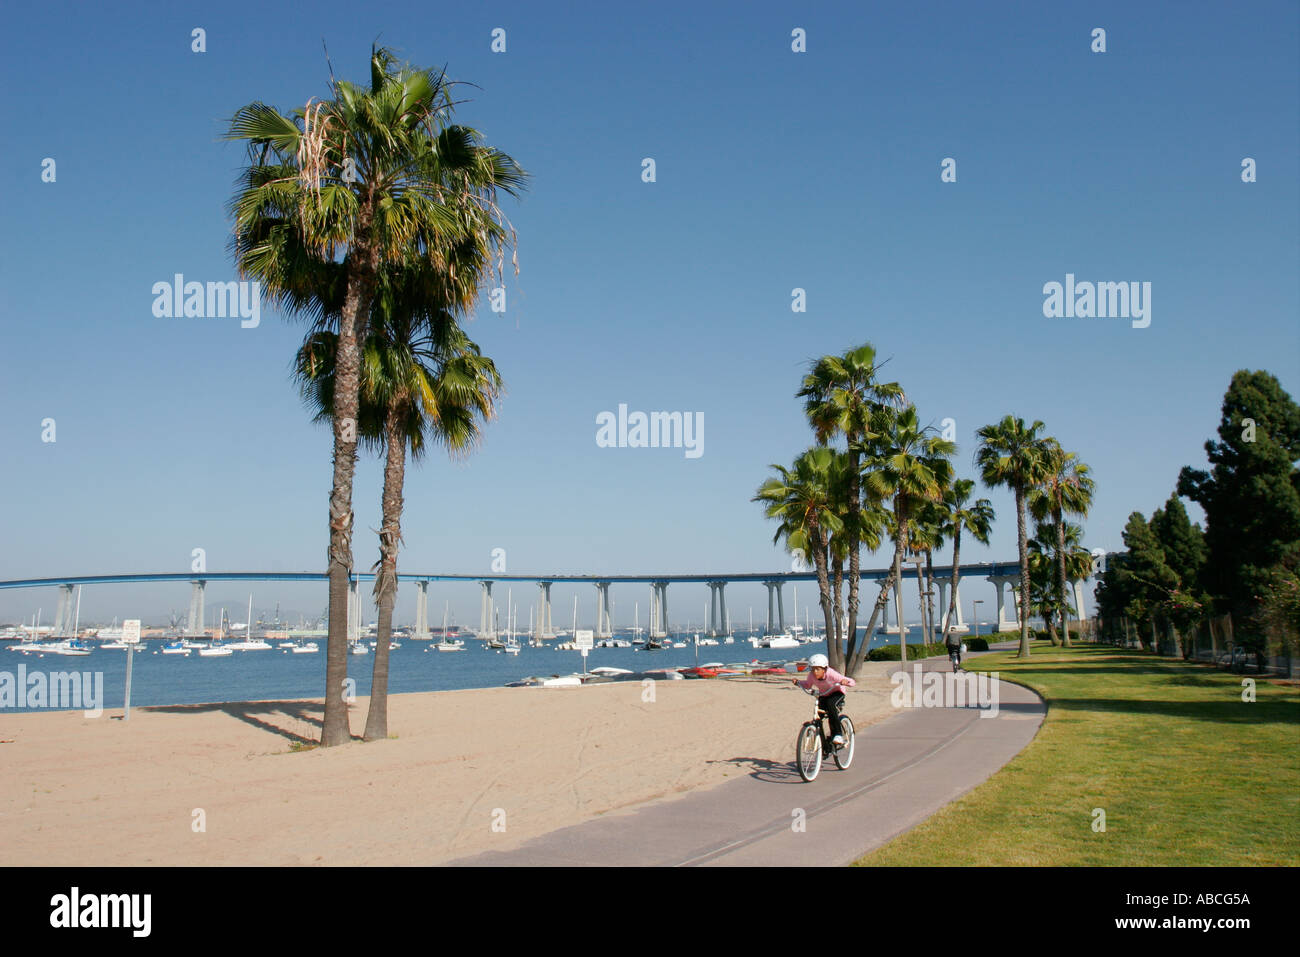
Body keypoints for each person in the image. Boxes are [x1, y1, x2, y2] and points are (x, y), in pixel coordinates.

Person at [792, 653, 855, 746]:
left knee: (831, 706)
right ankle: (824, 745)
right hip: (824, 694)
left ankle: (838, 735)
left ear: (825, 669)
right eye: (812, 669)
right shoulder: (811, 676)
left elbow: (852, 682)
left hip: (837, 693)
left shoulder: (831, 673)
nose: (815, 672)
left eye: (818, 669)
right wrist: (798, 682)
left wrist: (845, 682)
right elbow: (808, 685)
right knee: (818, 716)